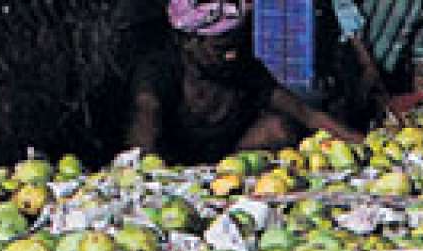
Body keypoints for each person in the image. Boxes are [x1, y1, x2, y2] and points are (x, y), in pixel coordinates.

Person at [126, 0, 361, 164]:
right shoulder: (160, 71)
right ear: (187, 42)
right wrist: (143, 168)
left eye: (235, 46)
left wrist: (364, 145)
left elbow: (305, 113)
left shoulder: (243, 69)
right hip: (176, 160)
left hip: (229, 160)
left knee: (278, 128)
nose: (232, 55)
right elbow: (146, 117)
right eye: (221, 48)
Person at [329, 0, 423, 126]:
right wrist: (366, 63)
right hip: (351, 55)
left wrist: (420, 74)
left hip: (394, 68)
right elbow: (343, 6)